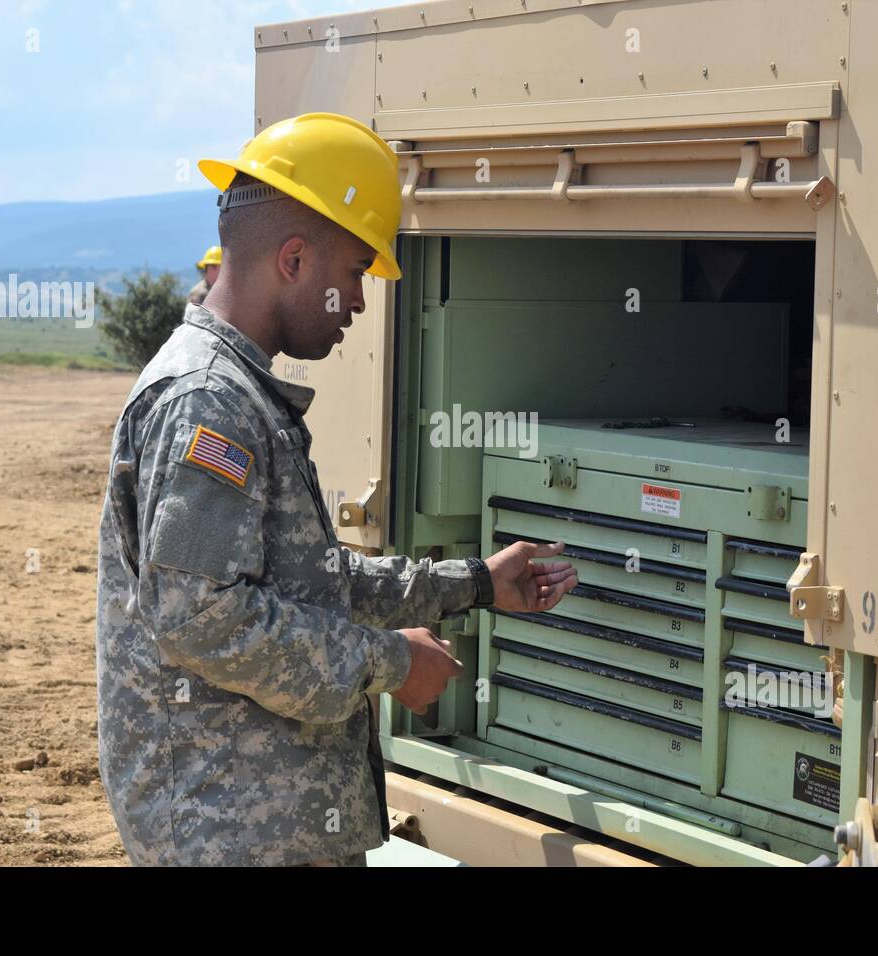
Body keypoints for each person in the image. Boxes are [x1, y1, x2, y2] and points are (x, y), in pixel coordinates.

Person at [96, 112, 577, 866]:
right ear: (293, 258)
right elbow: (199, 616)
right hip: (227, 834)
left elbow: (305, 579)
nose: (359, 300)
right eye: (355, 272)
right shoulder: (209, 401)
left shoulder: (240, 393)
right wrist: (388, 663)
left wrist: (475, 583)